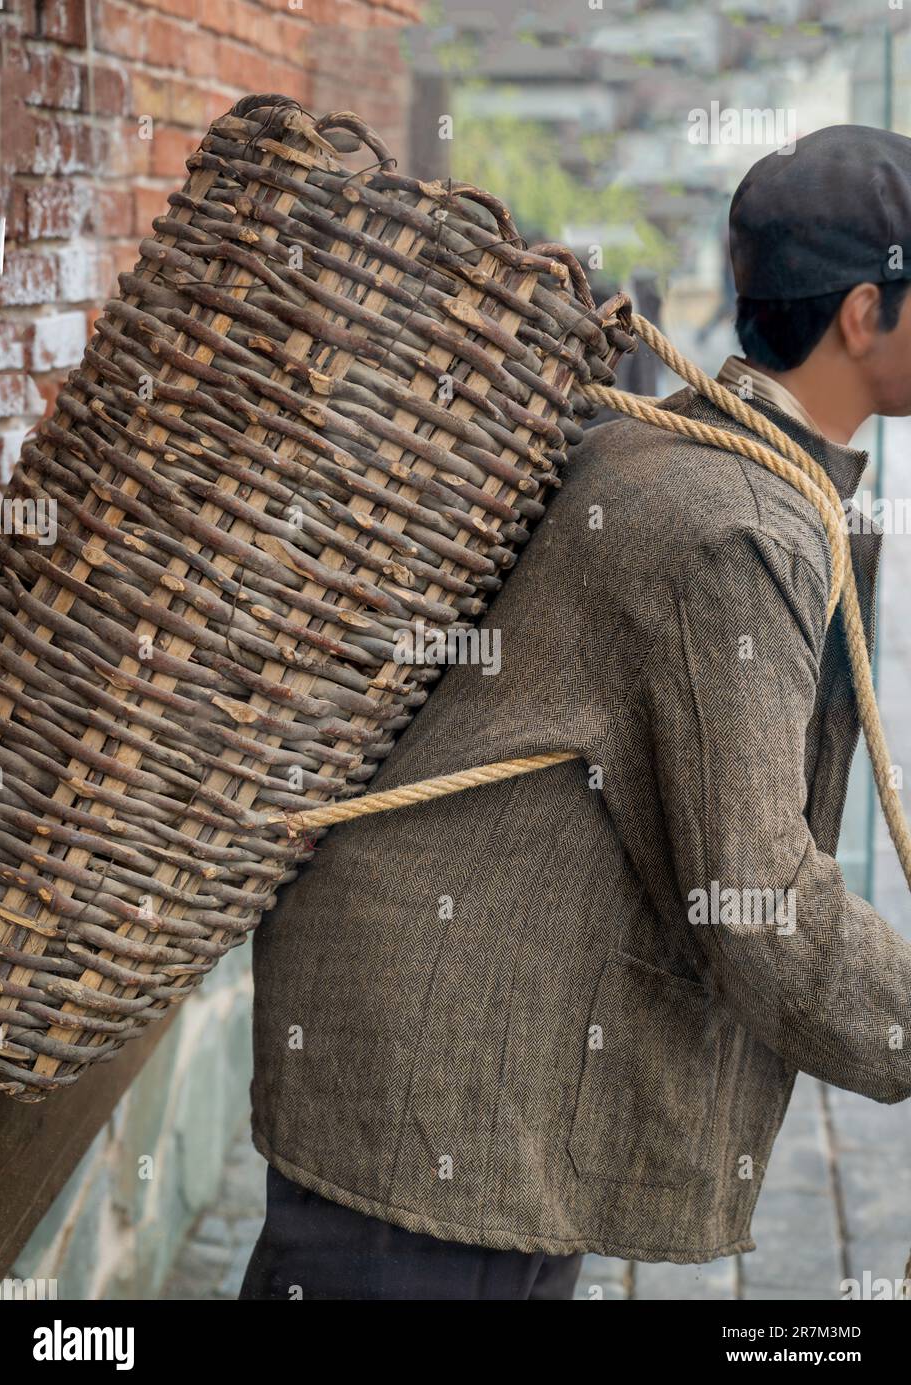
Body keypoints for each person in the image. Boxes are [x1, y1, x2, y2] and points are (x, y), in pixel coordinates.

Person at [240, 125, 911, 1301]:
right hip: (442, 1075)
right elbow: (757, 901)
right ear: (863, 315)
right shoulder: (736, 523)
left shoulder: (685, 457)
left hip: (469, 1050)